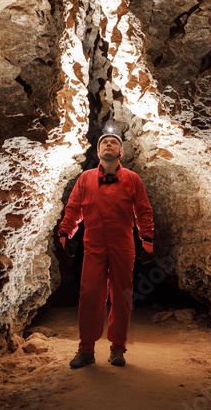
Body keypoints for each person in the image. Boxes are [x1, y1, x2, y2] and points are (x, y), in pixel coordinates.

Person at [58, 125, 154, 368]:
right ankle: (86, 350)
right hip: (94, 245)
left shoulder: (132, 179)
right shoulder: (86, 178)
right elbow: (74, 209)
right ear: (98, 151)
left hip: (122, 244)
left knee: (121, 296)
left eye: (114, 142)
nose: (108, 144)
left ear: (121, 152)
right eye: (104, 142)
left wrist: (147, 239)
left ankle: (118, 348)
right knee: (90, 295)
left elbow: (143, 210)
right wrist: (65, 232)